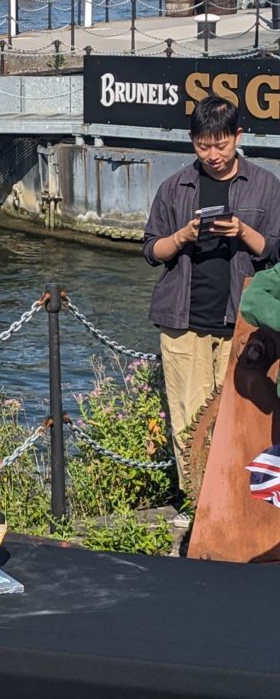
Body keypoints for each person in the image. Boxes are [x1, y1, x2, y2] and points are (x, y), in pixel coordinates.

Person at [144, 94, 280, 492]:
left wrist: (241, 231)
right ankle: (194, 502)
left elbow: (274, 250)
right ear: (192, 141)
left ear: (238, 136)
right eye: (204, 146)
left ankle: (230, 502)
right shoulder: (175, 187)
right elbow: (152, 250)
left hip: (241, 323)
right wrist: (181, 236)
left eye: (221, 145)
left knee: (236, 420)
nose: (213, 154)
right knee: (188, 418)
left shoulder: (265, 185)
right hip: (183, 320)